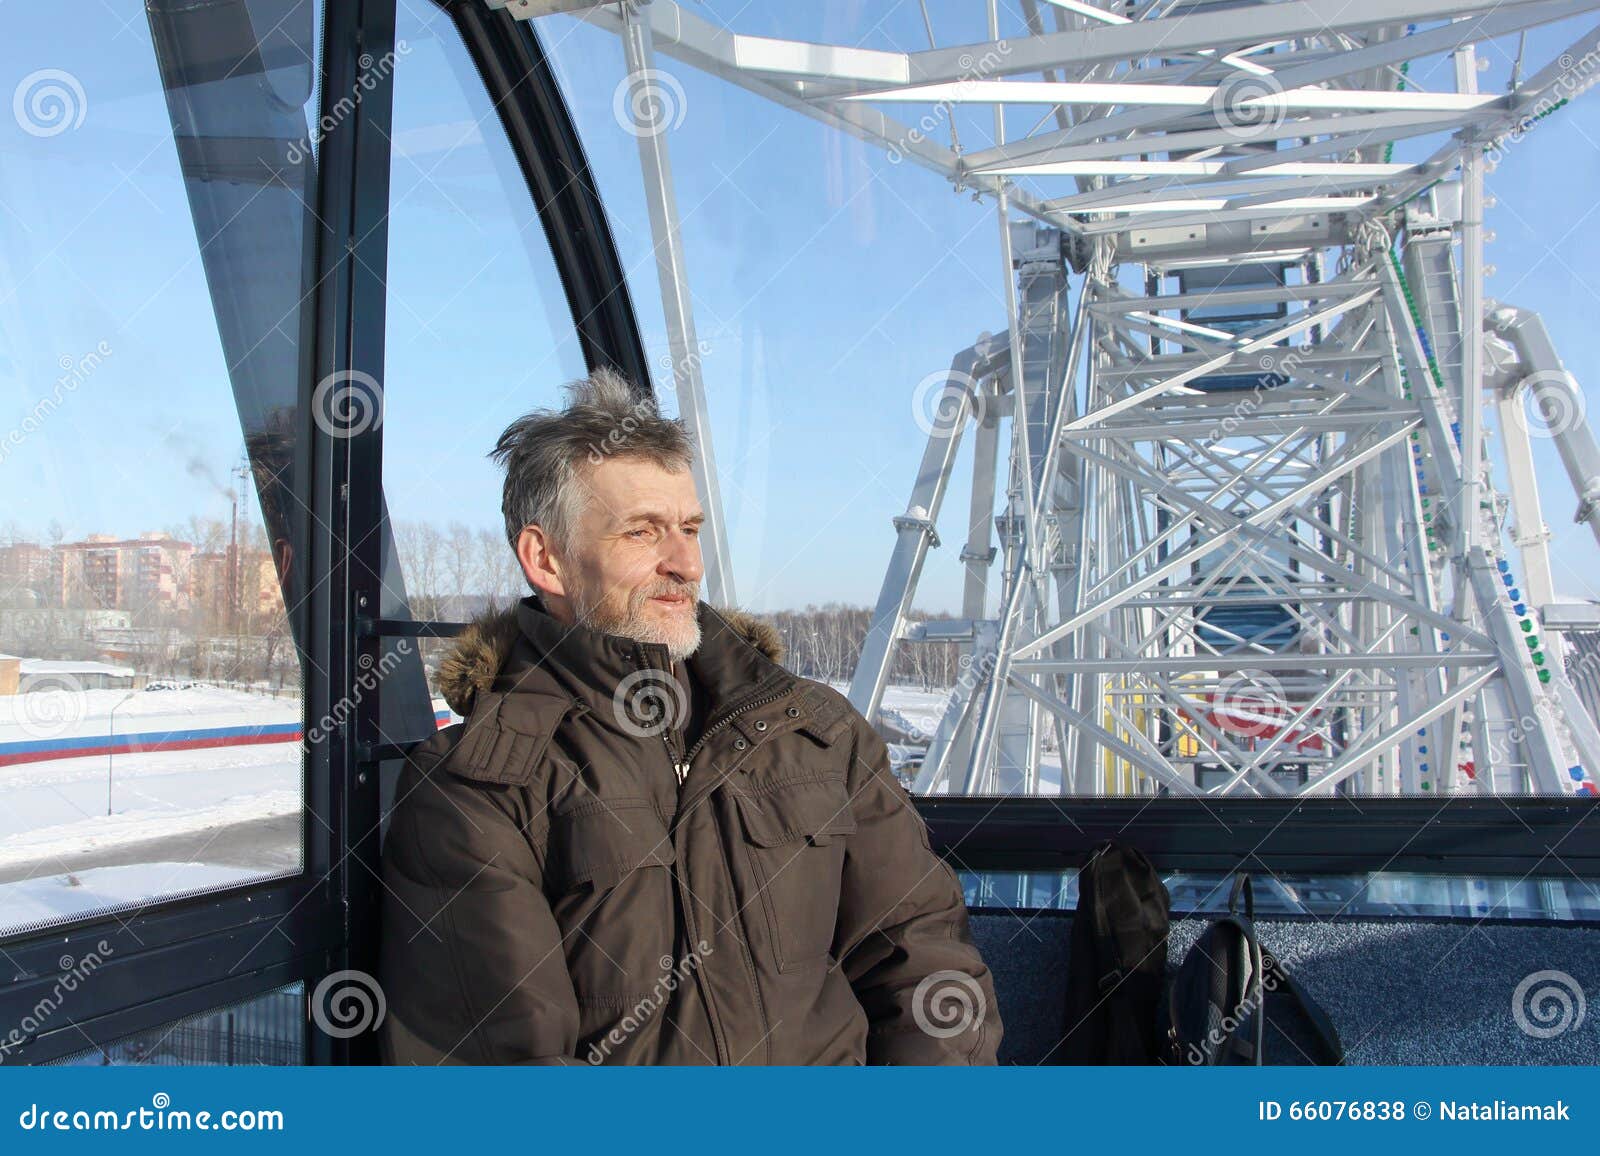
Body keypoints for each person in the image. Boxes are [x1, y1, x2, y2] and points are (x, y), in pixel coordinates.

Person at [378, 368, 1001, 1065]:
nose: (686, 563)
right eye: (643, 533)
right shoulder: (477, 789)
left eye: (690, 528)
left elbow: (923, 960)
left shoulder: (814, 732)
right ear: (546, 559)